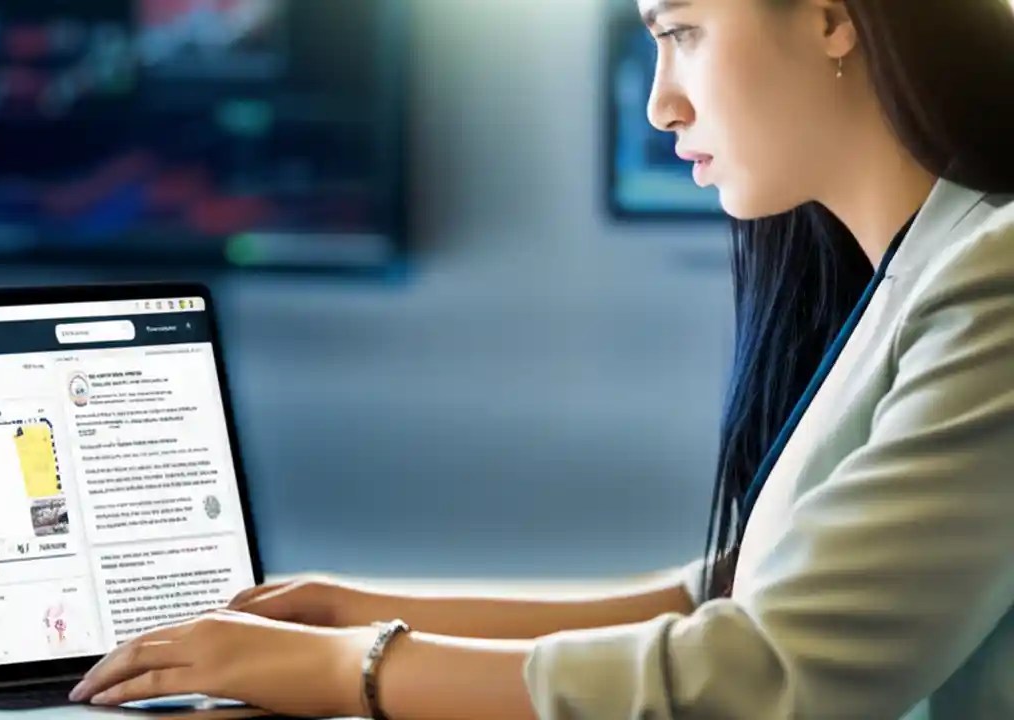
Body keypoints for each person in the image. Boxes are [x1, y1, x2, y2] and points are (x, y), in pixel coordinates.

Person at [68, 1, 1014, 717]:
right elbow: (722, 597)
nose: (661, 102)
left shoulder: (991, 278)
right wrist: (359, 613)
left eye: (682, 31)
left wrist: (347, 669)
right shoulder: (914, 271)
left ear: (832, 17)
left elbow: (770, 672)